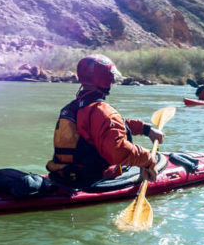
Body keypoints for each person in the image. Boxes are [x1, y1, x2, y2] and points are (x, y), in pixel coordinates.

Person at [46, 54, 164, 188]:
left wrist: (145, 129)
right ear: (105, 79)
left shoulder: (72, 107)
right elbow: (117, 152)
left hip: (64, 175)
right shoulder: (101, 111)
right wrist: (148, 160)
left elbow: (109, 125)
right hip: (91, 179)